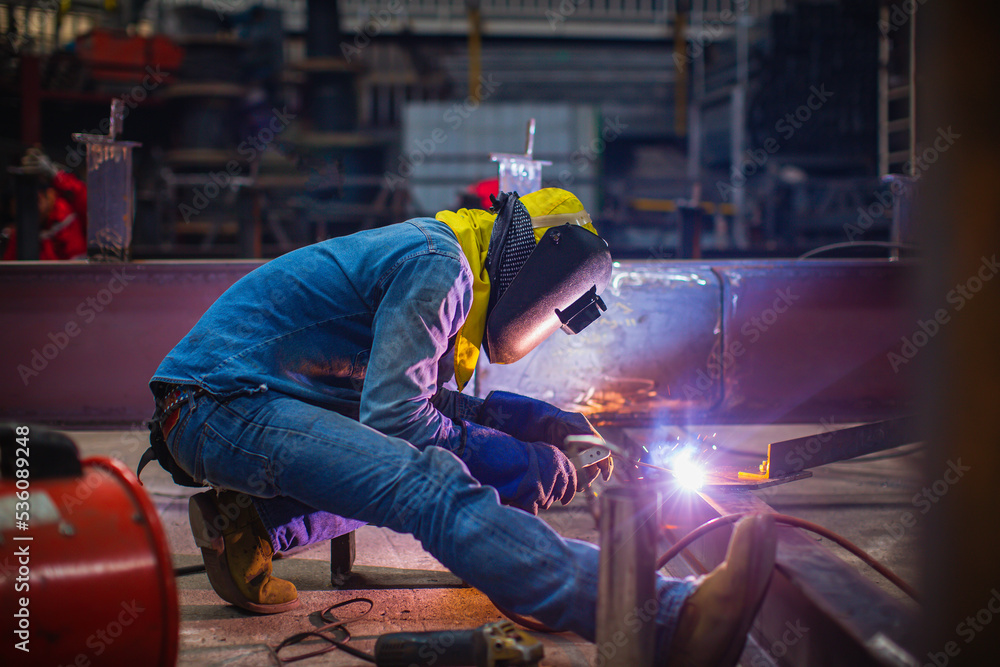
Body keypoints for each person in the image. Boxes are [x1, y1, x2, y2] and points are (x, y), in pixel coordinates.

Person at [143, 188, 776, 665]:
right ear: (537, 262)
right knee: (424, 480)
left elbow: (421, 403)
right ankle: (671, 618)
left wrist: (542, 425)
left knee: (401, 465)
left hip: (232, 401)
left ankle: (248, 527)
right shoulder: (439, 265)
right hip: (220, 402)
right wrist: (517, 466)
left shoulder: (442, 261)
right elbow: (402, 424)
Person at [1, 148, 88, 261]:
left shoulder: (71, 215)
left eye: (37, 200)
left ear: (51, 194)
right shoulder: (19, 235)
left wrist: (55, 175)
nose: (31, 209)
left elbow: (85, 199)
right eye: (19, 205)